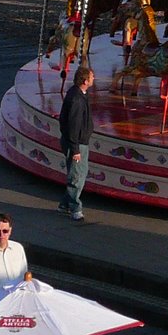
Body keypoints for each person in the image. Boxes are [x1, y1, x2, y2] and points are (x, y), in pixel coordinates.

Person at [58, 64, 94, 222]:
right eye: (92, 77)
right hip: (77, 143)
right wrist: (75, 149)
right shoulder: (77, 99)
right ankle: (75, 208)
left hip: (78, 142)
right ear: (85, 81)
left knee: (79, 173)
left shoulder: (78, 94)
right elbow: (73, 125)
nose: (94, 79)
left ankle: (65, 203)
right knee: (77, 176)